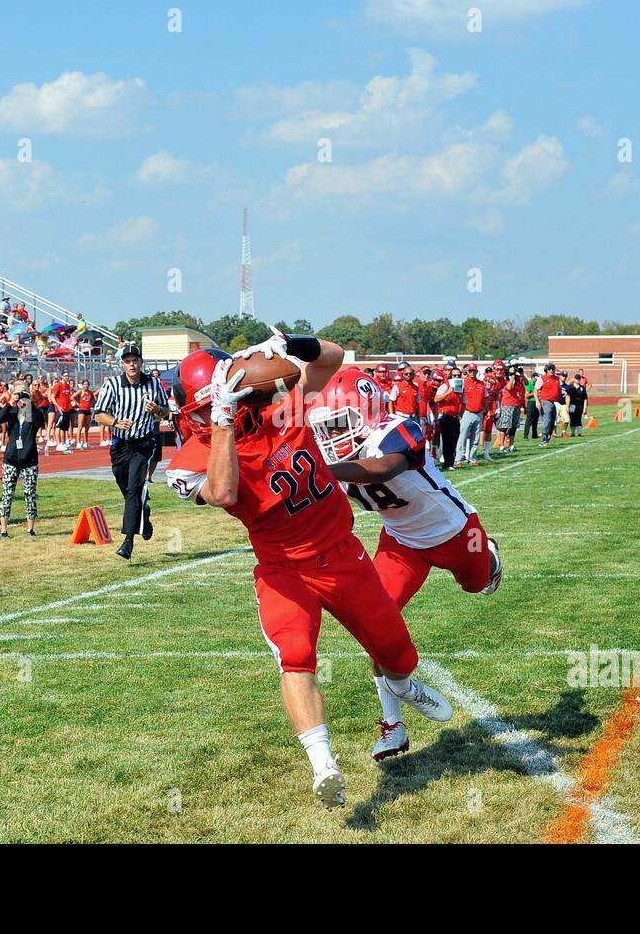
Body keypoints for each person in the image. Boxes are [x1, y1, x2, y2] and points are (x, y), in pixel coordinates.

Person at [166, 336, 453, 809]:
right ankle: (323, 764)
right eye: (203, 409)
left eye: (218, 403)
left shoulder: (282, 406)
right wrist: (222, 420)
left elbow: (333, 359)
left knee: (398, 653)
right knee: (295, 655)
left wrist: (291, 344)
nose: (209, 414)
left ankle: (403, 686)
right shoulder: (191, 460)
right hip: (283, 569)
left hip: (341, 554)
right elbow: (223, 493)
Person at [310, 368, 502, 759]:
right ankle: (393, 725)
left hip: (454, 531)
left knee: (478, 583)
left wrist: (322, 471)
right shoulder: (331, 454)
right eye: (326, 427)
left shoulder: (396, 429)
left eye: (340, 423)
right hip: (400, 542)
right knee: (376, 625)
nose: (331, 435)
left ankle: (491, 556)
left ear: (367, 411)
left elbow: (385, 468)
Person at [93, 343, 171, 560]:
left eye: (135, 360)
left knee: (134, 489)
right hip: (120, 445)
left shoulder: (153, 383)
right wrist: (115, 422)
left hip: (143, 444)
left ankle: (128, 541)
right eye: (127, 361)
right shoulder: (113, 385)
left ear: (141, 362)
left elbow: (166, 412)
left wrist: (157, 409)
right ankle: (143, 513)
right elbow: (98, 414)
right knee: (127, 489)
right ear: (123, 364)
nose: (132, 365)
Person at [0, 382, 41, 538]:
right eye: (18, 392)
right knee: (7, 493)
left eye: (24, 392)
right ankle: (3, 529)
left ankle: (30, 529)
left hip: (29, 459)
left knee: (30, 493)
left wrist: (30, 403)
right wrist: (10, 402)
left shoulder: (31, 412)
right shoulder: (12, 412)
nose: (21, 395)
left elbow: (40, 422)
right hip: (11, 458)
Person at [454, 363, 486, 468]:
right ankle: (458, 459)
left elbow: (484, 398)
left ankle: (473, 459)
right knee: (462, 437)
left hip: (479, 413)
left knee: (475, 438)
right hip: (467, 412)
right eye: (470, 371)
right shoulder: (463, 382)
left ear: (477, 371)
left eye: (474, 371)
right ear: (467, 372)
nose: (472, 373)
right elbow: (457, 397)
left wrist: (487, 410)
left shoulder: (481, 383)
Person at [432, 367, 463, 472]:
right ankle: (446, 463)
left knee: (454, 440)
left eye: (458, 375)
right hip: (445, 416)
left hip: (455, 416)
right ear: (450, 376)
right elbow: (436, 399)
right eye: (454, 375)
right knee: (446, 440)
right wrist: (448, 392)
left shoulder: (461, 387)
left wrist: (460, 414)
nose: (457, 377)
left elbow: (464, 402)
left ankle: (451, 462)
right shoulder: (445, 386)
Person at [536, 362, 563, 447]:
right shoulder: (542, 379)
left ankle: (547, 440)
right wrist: (537, 401)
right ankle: (543, 440)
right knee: (547, 421)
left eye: (553, 369)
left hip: (553, 402)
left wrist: (562, 392)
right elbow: (535, 390)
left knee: (552, 422)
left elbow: (558, 389)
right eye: (549, 369)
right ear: (546, 370)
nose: (551, 370)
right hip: (545, 401)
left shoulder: (556, 379)